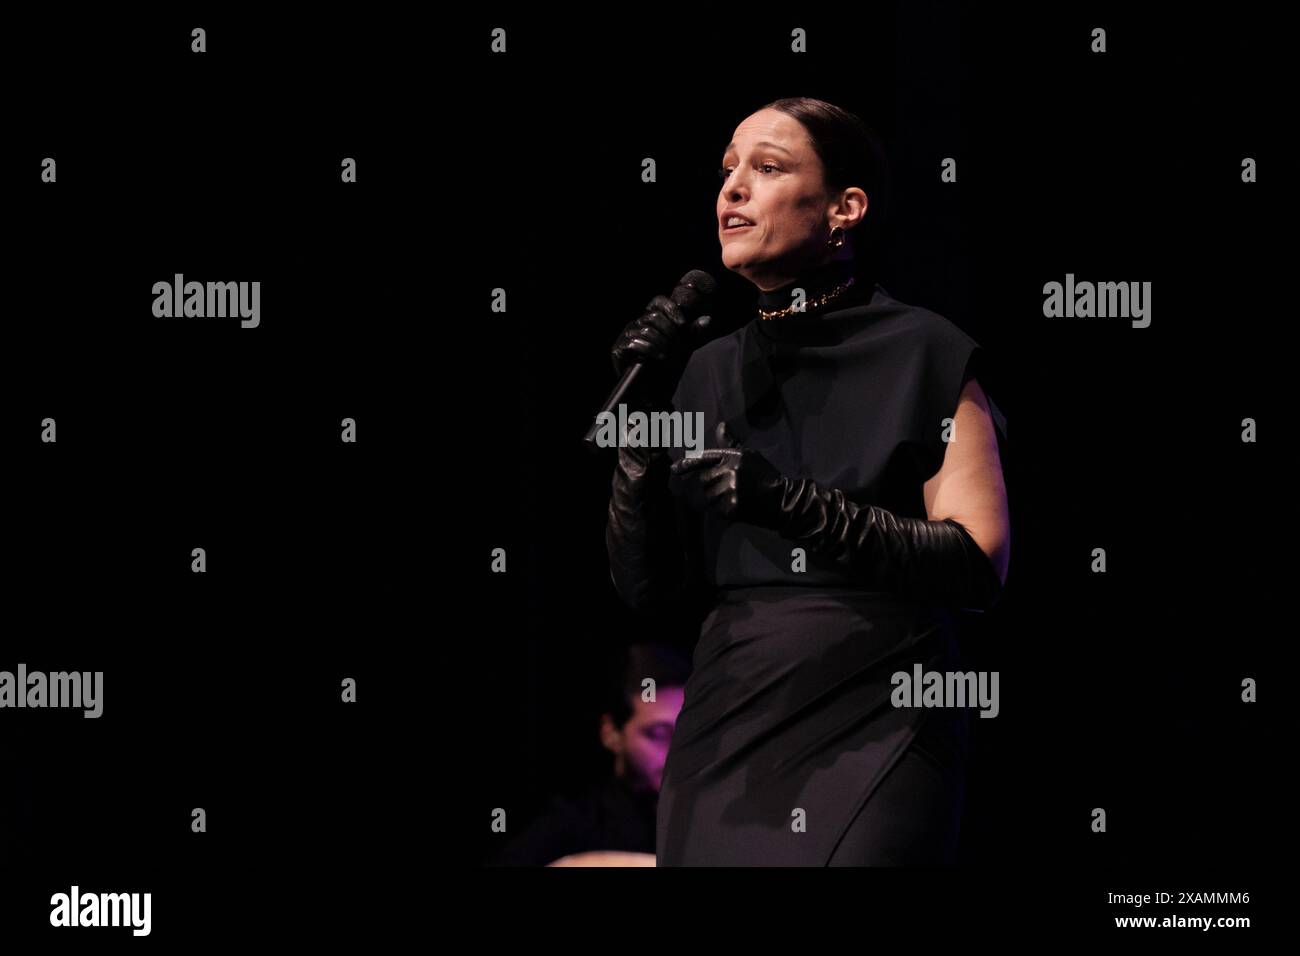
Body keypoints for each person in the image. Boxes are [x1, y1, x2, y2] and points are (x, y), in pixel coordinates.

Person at [605, 97, 1010, 865]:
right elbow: (646, 589)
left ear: (845, 208)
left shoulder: (924, 351)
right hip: (732, 720)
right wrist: (638, 435)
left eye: (767, 168)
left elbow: (976, 565)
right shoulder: (706, 369)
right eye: (728, 170)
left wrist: (786, 503)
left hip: (883, 707)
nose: (732, 189)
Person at [488, 643, 690, 866]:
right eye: (659, 734)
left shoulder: (705, 821)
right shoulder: (568, 827)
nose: (676, 751)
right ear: (611, 733)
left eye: (687, 733)